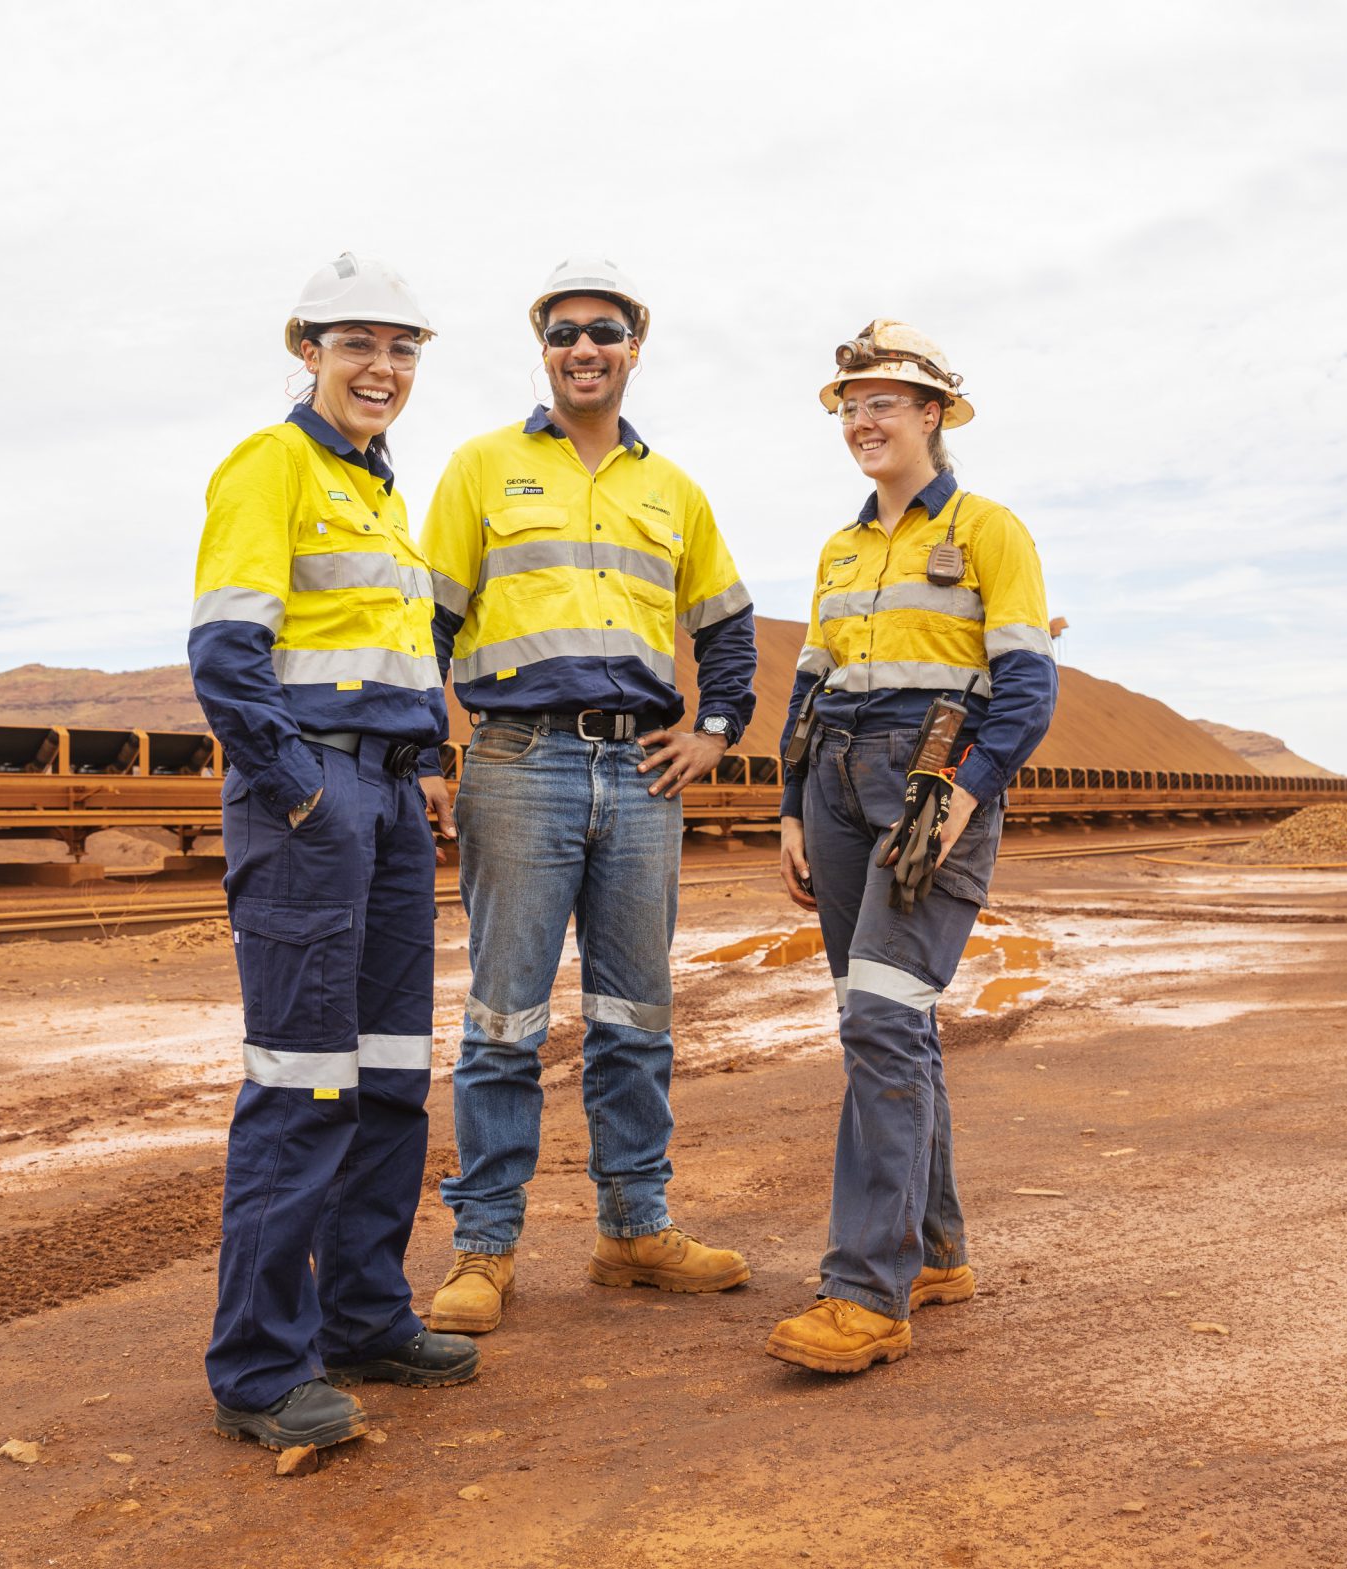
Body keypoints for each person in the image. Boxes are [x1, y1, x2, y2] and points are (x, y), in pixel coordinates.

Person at [419, 256, 759, 1334]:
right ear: (544, 348)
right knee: (503, 1019)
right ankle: (484, 1251)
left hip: (643, 772)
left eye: (604, 331)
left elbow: (728, 624)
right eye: (564, 332)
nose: (584, 349)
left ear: (633, 348)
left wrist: (713, 729)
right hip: (520, 764)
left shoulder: (674, 491)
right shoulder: (482, 467)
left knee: (634, 1018)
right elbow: (420, 622)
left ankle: (633, 1230)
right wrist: (433, 752)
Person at [187, 252, 478, 1451]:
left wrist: (412, 781)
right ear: (306, 349)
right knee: (302, 1082)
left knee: (393, 1074)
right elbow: (224, 653)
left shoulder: (380, 493)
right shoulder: (273, 465)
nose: (383, 367)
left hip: (392, 798)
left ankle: (364, 1314)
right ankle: (260, 1368)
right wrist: (302, 791)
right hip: (311, 796)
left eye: (403, 348)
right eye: (359, 343)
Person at [764, 320, 1057, 1374]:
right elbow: (808, 684)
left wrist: (970, 794)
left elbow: (1027, 684)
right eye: (850, 404)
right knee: (877, 1024)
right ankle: (933, 1254)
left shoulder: (988, 530)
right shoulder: (842, 547)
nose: (862, 420)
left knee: (886, 1023)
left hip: (929, 780)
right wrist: (792, 808)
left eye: (884, 402)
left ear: (933, 415)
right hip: (837, 777)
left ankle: (865, 1294)